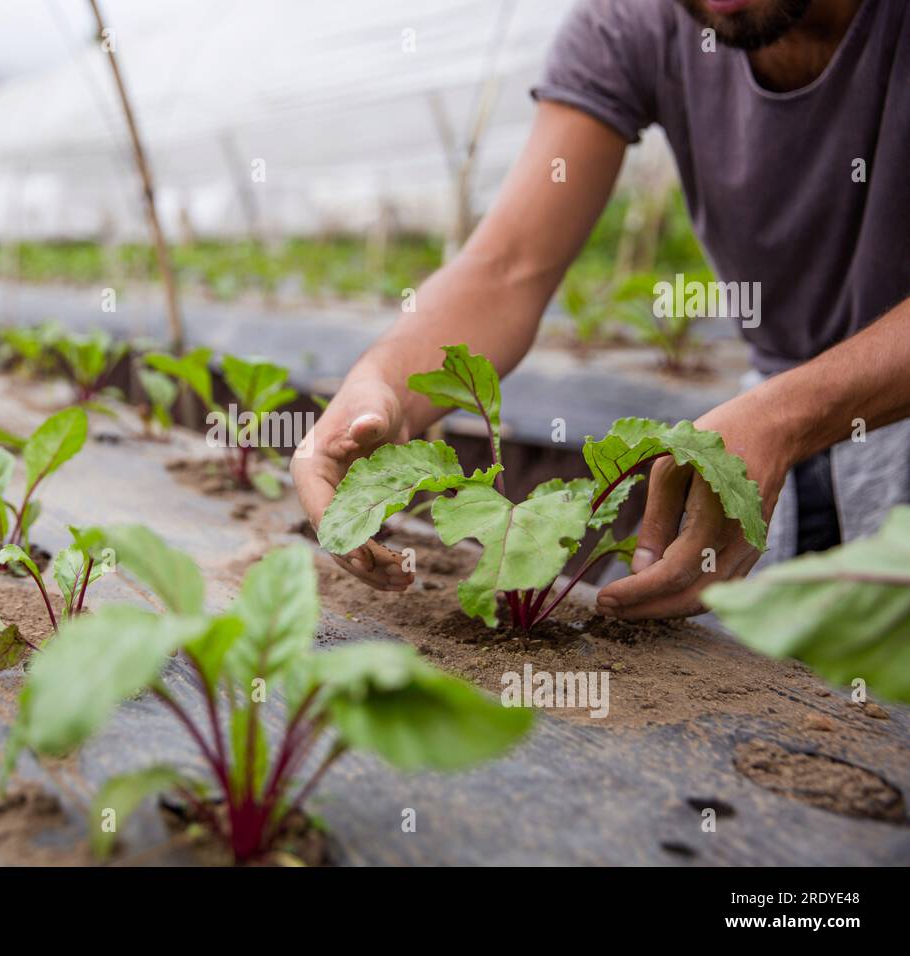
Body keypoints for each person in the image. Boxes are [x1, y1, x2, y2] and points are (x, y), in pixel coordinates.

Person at [292, 0, 910, 620]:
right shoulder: (631, 21)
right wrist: (382, 384)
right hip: (772, 405)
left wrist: (789, 414)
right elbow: (509, 266)